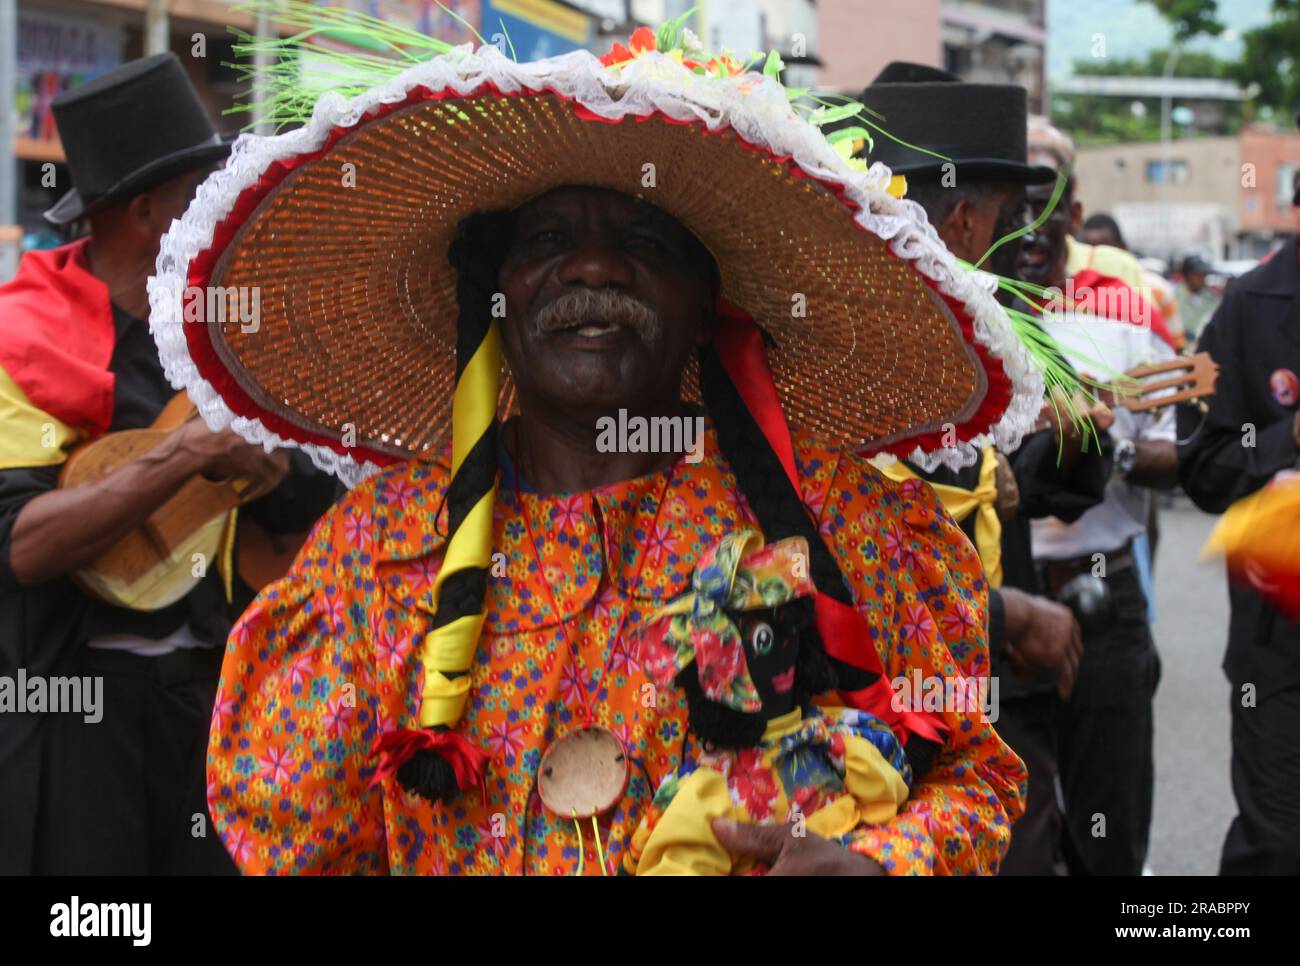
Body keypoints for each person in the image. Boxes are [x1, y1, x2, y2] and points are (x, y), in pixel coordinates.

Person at [156, 16, 1071, 875]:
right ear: (493, 294)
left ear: (705, 305)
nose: (593, 267)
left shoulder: (845, 521)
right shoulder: (376, 552)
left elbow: (975, 777)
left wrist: (881, 864)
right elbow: (300, 847)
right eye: (549, 238)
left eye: (641, 238)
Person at [0, 53, 338, 874]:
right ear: (149, 213)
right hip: (74, 720)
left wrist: (280, 471)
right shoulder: (21, 341)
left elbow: (306, 514)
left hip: (210, 706)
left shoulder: (223, 340)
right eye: (201, 199)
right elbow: (23, 546)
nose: (221, 218)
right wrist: (184, 454)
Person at [859, 63, 1107, 875]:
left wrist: (1074, 433)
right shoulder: (854, 355)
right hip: (891, 746)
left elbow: (1038, 488)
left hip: (985, 718)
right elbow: (856, 571)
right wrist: (1007, 617)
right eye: (1011, 215)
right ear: (964, 220)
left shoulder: (978, 335)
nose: (1028, 235)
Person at [1021, 138, 1181, 876]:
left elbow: (1188, 454)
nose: (1027, 218)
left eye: (1045, 198)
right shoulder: (960, 317)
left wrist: (1107, 446)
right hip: (1001, 600)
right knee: (1014, 834)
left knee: (1108, 832)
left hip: (1105, 594)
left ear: (1075, 211)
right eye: (1011, 198)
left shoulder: (1125, 314)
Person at [1177, 166, 1300, 874]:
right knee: (1279, 846)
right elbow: (1204, 465)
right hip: (1280, 645)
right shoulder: (1249, 309)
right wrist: (1288, 439)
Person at [1027, 119, 1178, 353]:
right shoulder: (982, 285)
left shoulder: (1117, 269)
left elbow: (1155, 365)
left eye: (1043, 208)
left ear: (1073, 213)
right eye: (1016, 210)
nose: (1029, 228)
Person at [1079, 214, 1184, 350]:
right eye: (1087, 248)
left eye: (1104, 248)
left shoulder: (1157, 289)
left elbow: (1176, 347)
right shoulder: (1072, 292)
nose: (1095, 256)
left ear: (1122, 248)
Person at [1174, 255, 1219, 345]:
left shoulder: (1213, 299)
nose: (1201, 278)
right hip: (1178, 350)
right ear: (1186, 275)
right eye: (1197, 274)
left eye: (1204, 275)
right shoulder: (1172, 296)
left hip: (1203, 351)